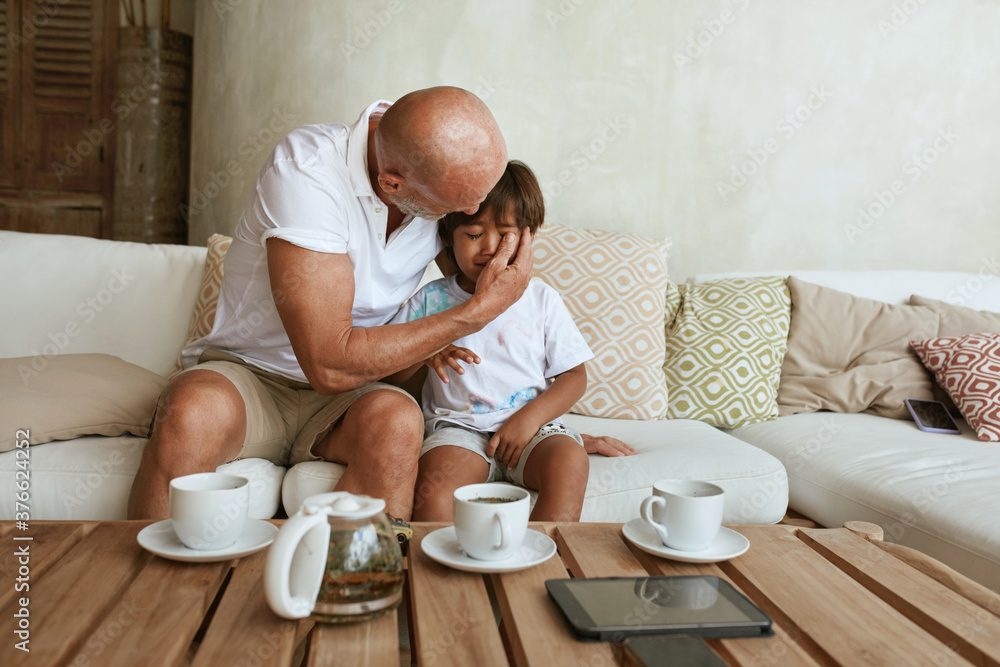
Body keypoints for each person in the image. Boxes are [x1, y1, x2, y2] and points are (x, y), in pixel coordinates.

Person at [127, 87, 532, 521]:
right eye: (457, 204)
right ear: (392, 184)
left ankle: (360, 581)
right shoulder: (307, 171)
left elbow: (495, 298)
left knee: (397, 420)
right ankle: (148, 586)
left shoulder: (442, 182)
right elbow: (328, 363)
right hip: (250, 376)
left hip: (351, 399)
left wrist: (546, 425)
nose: (472, 210)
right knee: (188, 413)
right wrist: (472, 314)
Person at [386, 161, 598, 522]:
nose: (489, 247)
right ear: (448, 239)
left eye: (506, 235)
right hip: (458, 430)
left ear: (528, 237)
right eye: (473, 235)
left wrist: (528, 421)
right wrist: (424, 352)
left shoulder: (541, 298)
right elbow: (390, 374)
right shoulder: (430, 299)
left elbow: (575, 377)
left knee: (569, 461)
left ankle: (543, 559)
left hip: (532, 427)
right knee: (434, 495)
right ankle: (443, 577)